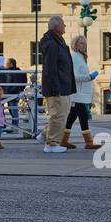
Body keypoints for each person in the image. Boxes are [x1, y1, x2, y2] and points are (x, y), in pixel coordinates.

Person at [39, 14, 76, 154]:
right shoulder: (52, 43)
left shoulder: (57, 41)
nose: (65, 26)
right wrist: (55, 88)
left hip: (63, 85)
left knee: (63, 114)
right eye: (63, 24)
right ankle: (51, 144)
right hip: (57, 86)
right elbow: (50, 67)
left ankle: (44, 135)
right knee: (58, 115)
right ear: (57, 27)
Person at [63, 35, 101, 149]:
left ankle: (63, 139)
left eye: (84, 43)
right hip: (78, 93)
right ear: (75, 44)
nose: (83, 46)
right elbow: (73, 76)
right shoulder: (75, 57)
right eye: (81, 43)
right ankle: (89, 142)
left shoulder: (80, 57)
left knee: (71, 118)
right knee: (83, 117)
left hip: (80, 93)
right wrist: (89, 77)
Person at [4, 57, 27, 132]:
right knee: (12, 110)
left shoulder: (13, 72)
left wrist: (10, 91)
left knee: (13, 110)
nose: (5, 64)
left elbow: (16, 83)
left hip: (12, 93)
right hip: (12, 93)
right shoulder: (16, 71)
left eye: (7, 63)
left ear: (11, 64)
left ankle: (15, 127)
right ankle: (14, 126)